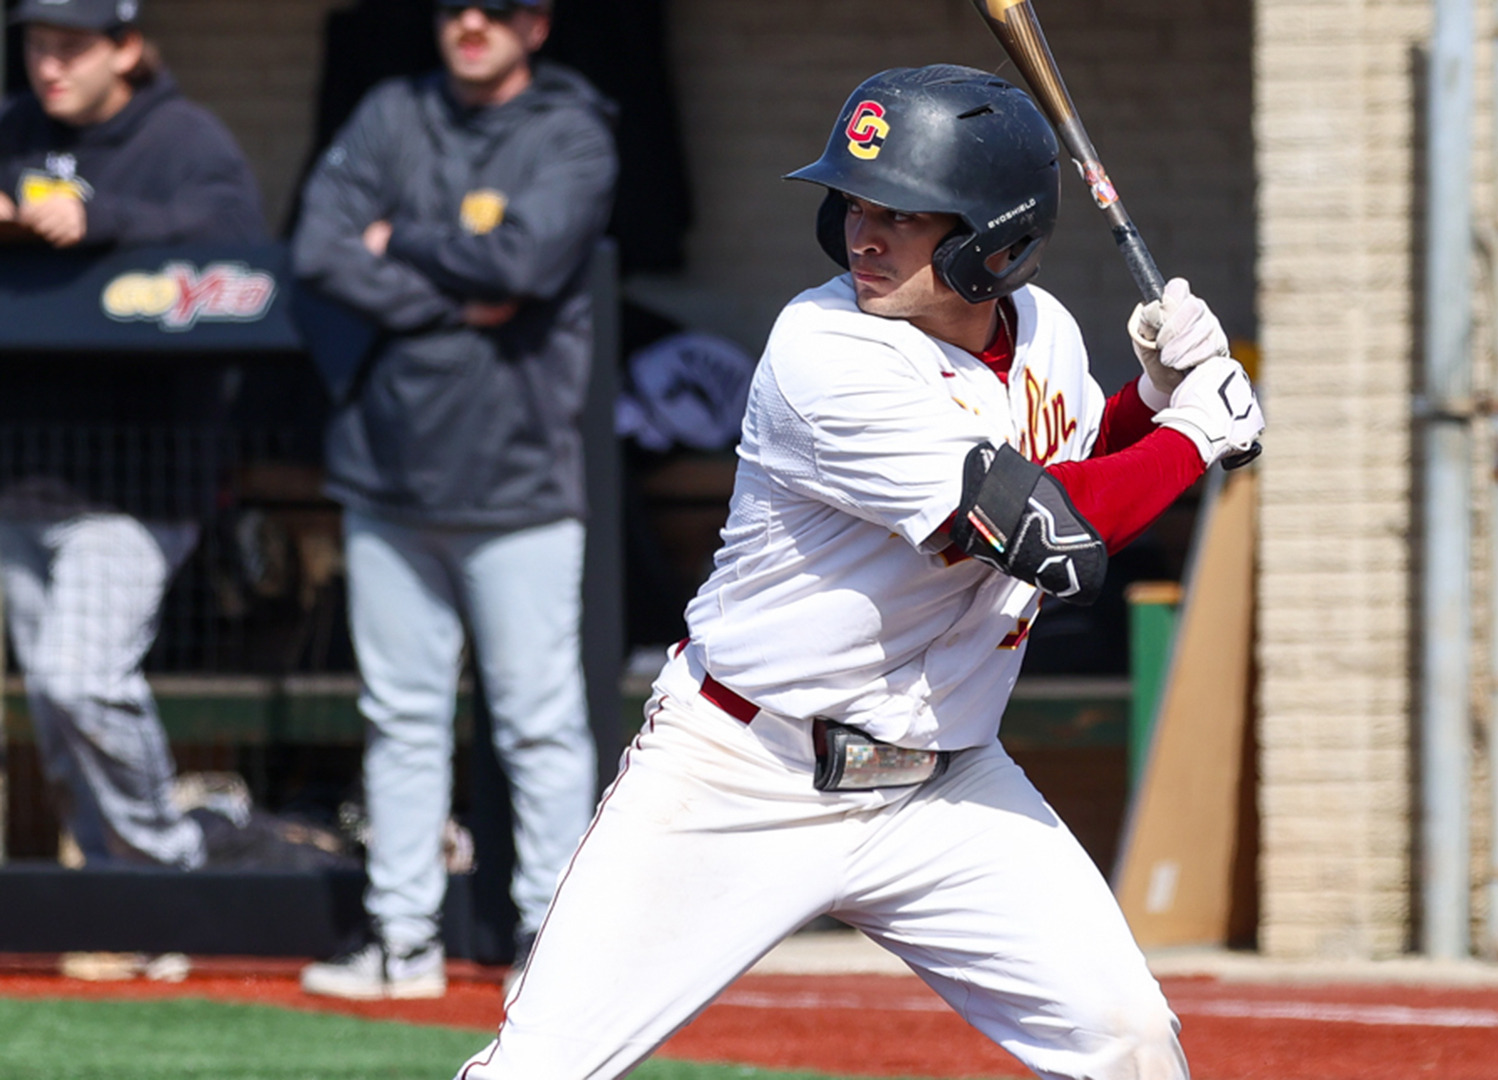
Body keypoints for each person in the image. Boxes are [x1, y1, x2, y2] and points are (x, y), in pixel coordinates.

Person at [457, 64, 1263, 1080]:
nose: (863, 236)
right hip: (746, 772)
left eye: (905, 214)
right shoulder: (824, 351)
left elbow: (1059, 468)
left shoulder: (1047, 331)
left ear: (992, 239)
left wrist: (1149, 400)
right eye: (853, 206)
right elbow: (1048, 541)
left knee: (1128, 1043)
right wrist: (1194, 436)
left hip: (945, 787)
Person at [289, 0, 615, 1001]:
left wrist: (399, 244)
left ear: (539, 23)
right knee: (400, 717)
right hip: (387, 474)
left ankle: (551, 953)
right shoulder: (392, 111)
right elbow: (318, 249)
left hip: (517, 480)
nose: (471, 22)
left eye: (497, 7)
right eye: (455, 6)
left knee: (539, 723)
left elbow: (523, 263)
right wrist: (449, 295)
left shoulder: (572, 130)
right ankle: (403, 944)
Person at [0, 0, 270, 869]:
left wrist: (102, 220)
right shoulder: (14, 129)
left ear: (125, 47)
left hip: (135, 484)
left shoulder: (183, 141)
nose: (50, 65)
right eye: (38, 44)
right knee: (55, 709)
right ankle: (112, 897)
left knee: (80, 677)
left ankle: (169, 866)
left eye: (72, 47)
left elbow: (241, 248)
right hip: (24, 472)